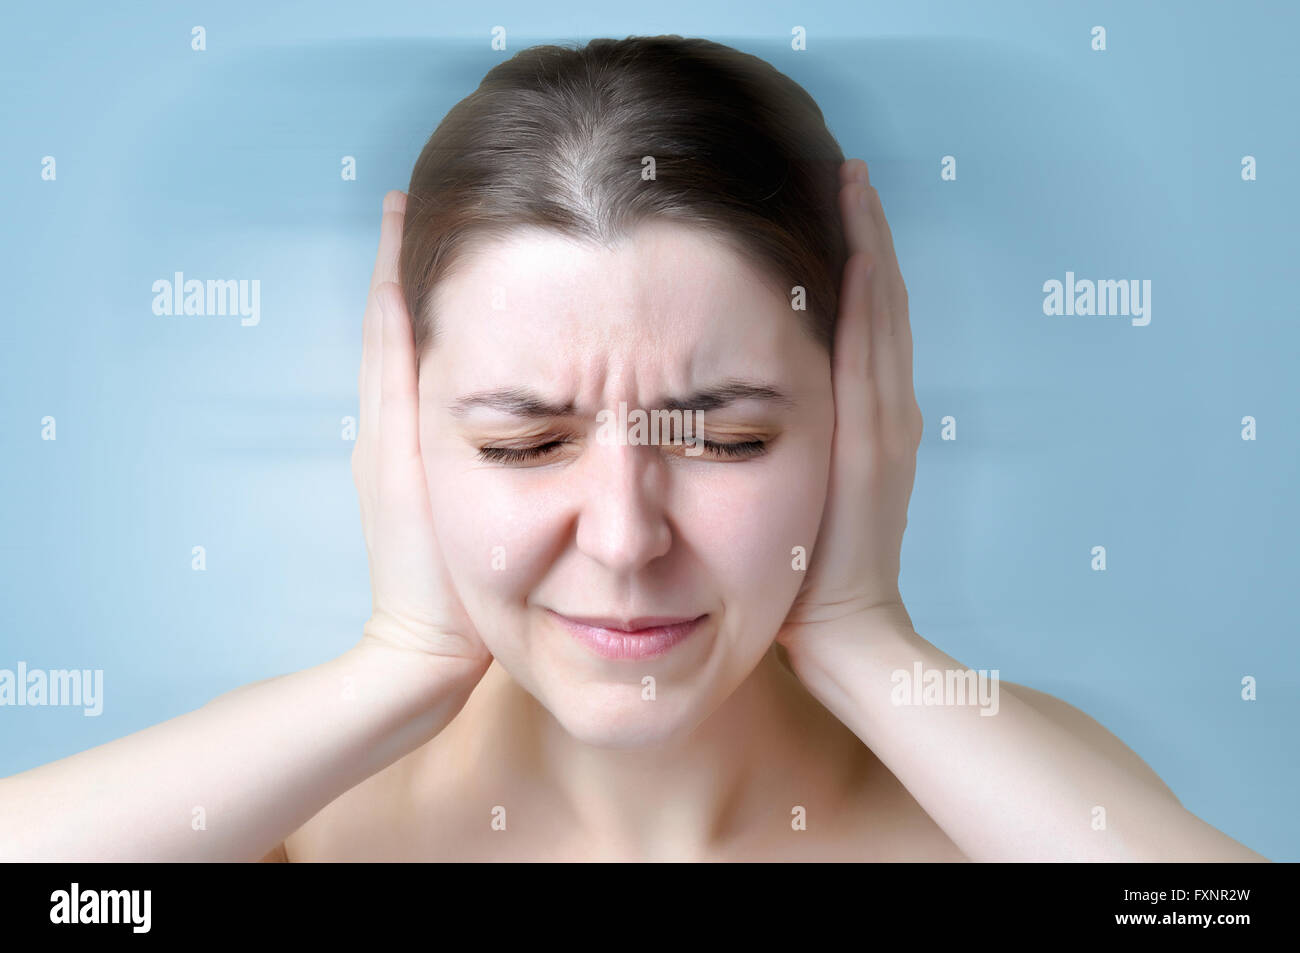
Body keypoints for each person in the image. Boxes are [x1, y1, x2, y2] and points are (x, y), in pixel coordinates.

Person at [0, 36, 1268, 863]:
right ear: (402, 439)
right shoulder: (298, 828)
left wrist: (867, 637)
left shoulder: (1001, 810)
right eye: (521, 440)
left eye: (726, 436)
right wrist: (400, 664)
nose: (622, 534)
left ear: (861, 420)